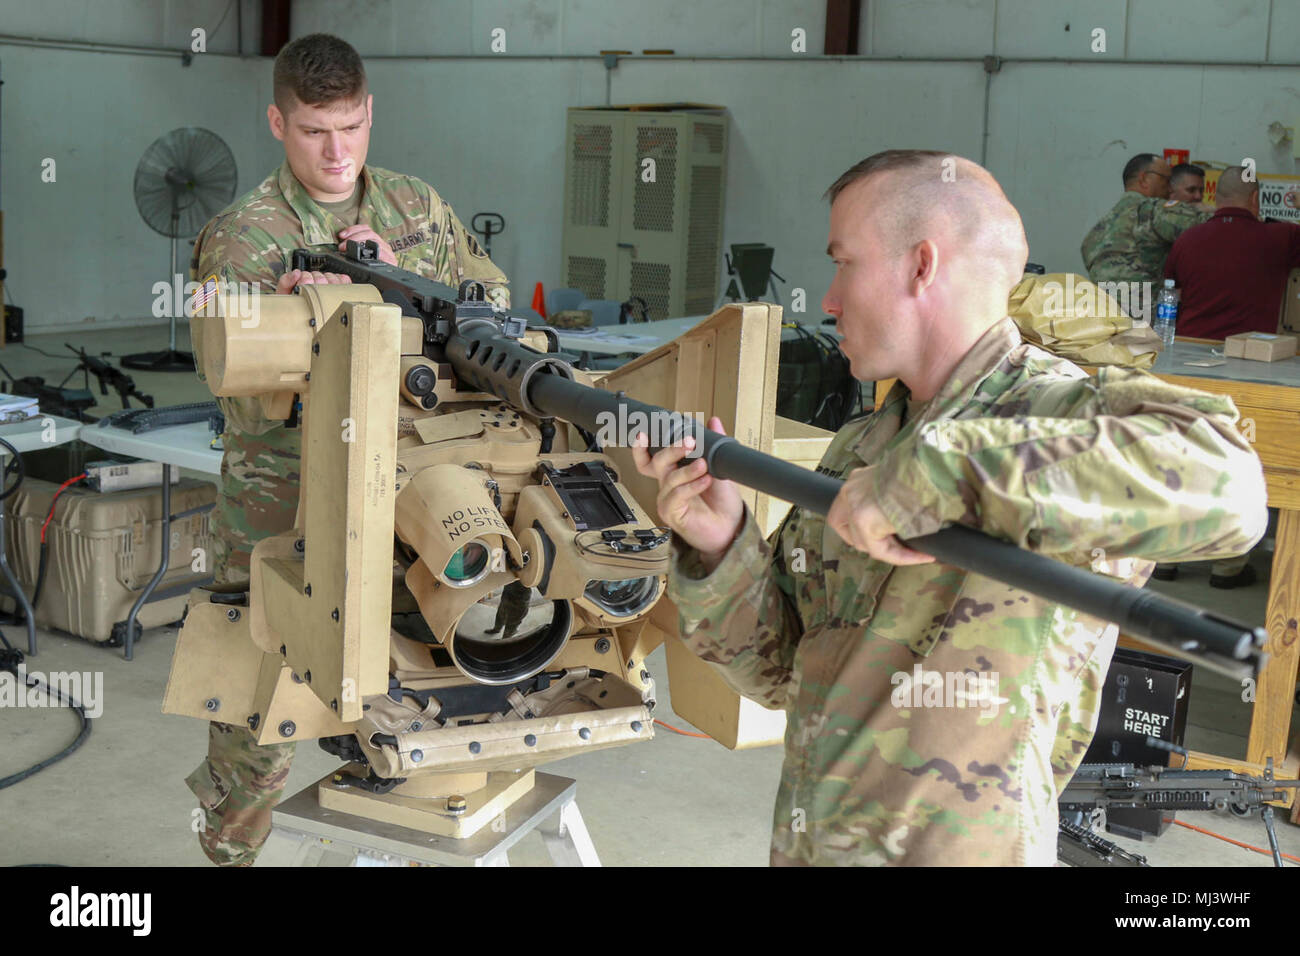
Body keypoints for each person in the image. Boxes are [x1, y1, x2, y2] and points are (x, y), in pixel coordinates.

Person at [633, 150, 1266, 866]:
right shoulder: (866, 442)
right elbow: (783, 673)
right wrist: (722, 545)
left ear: (922, 265)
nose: (830, 299)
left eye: (844, 262)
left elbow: (1233, 493)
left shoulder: (1058, 410)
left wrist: (935, 475)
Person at [185, 33, 509, 866]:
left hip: (397, 498)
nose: (337, 153)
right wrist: (303, 322)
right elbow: (240, 394)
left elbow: (491, 306)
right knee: (257, 727)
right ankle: (230, 851)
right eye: (314, 131)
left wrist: (405, 287)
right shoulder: (245, 236)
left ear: (371, 114)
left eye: (352, 127)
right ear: (277, 124)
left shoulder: (416, 208)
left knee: (404, 697)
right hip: (278, 510)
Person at [1154, 165, 1300, 588]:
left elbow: (1171, 290)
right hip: (1251, 364)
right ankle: (1227, 565)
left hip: (1184, 362)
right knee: (1238, 465)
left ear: (1216, 198)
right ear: (1256, 201)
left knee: (1178, 459)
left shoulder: (1188, 237)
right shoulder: (1281, 238)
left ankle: (1165, 557)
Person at [1081, 153, 1209, 285]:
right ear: (1144, 179)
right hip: (1146, 304)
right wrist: (1208, 209)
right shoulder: (1153, 210)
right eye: (1166, 180)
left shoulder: (1093, 235)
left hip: (1103, 304)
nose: (1170, 188)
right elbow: (1214, 228)